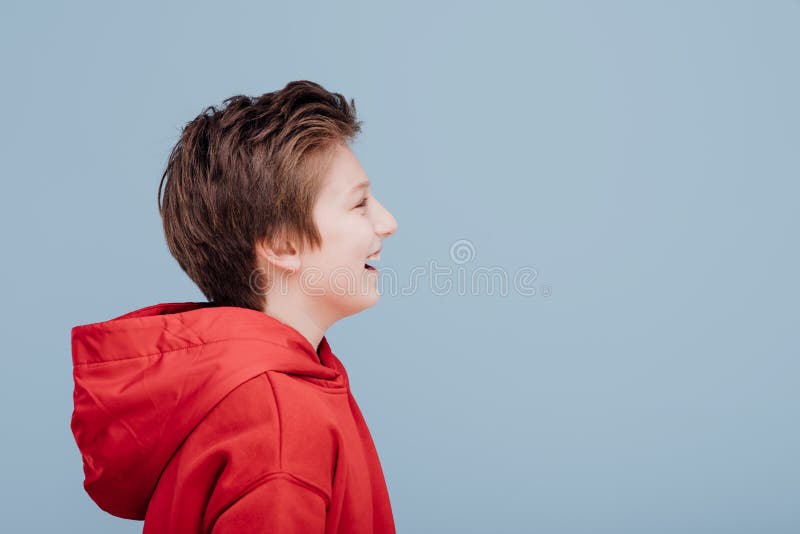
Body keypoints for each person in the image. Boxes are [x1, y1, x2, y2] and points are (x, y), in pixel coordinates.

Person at [70, 80, 399, 533]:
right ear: (282, 244)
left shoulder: (277, 387)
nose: (387, 222)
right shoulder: (279, 426)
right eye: (359, 203)